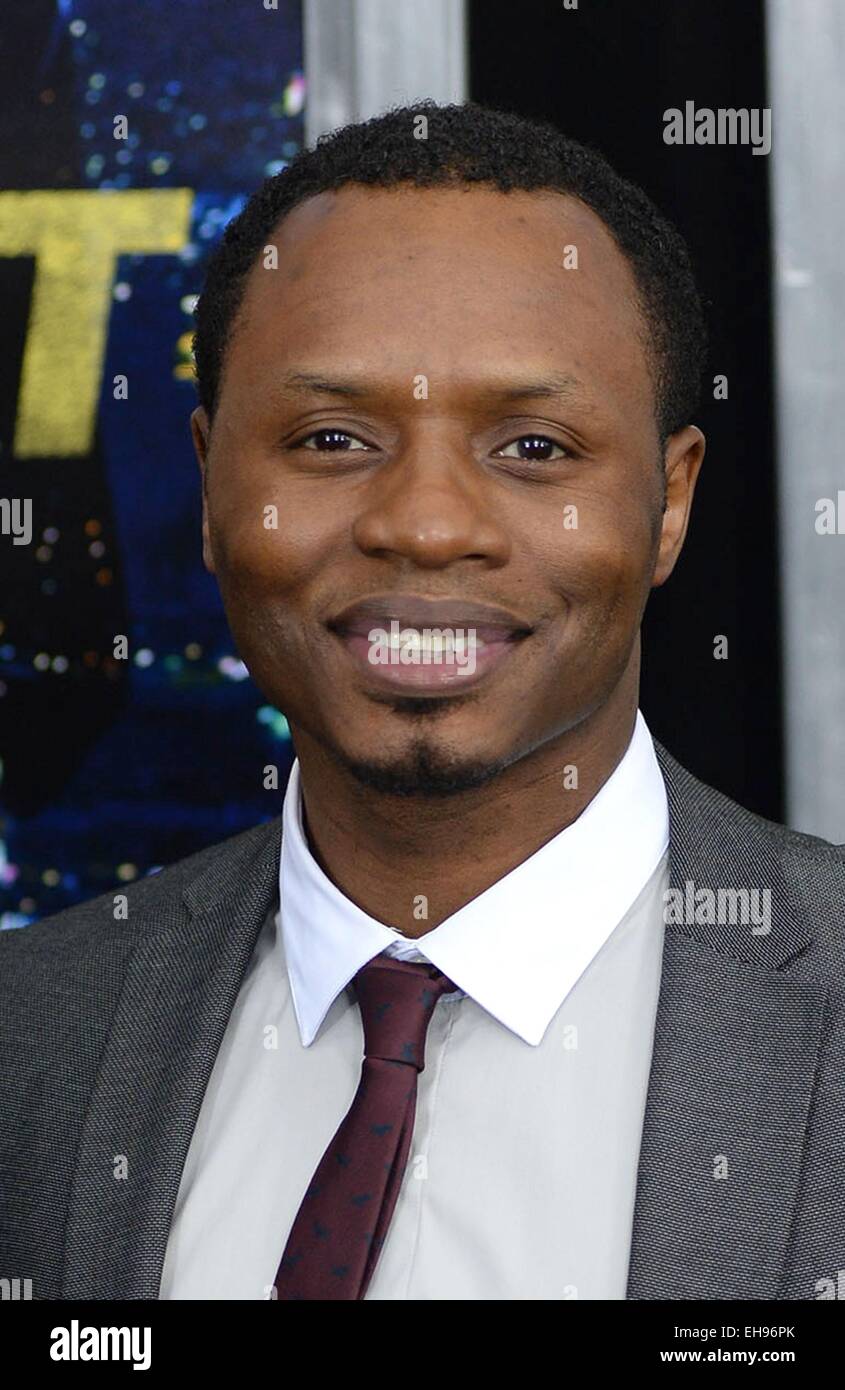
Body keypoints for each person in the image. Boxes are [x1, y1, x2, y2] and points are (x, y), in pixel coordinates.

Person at [1, 101, 843, 1302]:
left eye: (533, 448)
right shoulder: (32, 1033)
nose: (425, 523)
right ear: (207, 485)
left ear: (667, 503)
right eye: (333, 436)